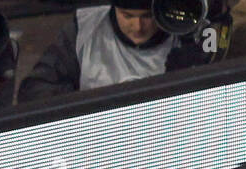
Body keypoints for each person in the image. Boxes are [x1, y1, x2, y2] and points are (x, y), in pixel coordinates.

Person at [17, 2, 224, 102]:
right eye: (127, 16)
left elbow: (217, 85)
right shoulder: (83, 28)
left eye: (147, 16)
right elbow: (33, 90)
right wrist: (94, 104)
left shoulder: (189, 30)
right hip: (95, 142)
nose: (138, 26)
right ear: (113, 8)